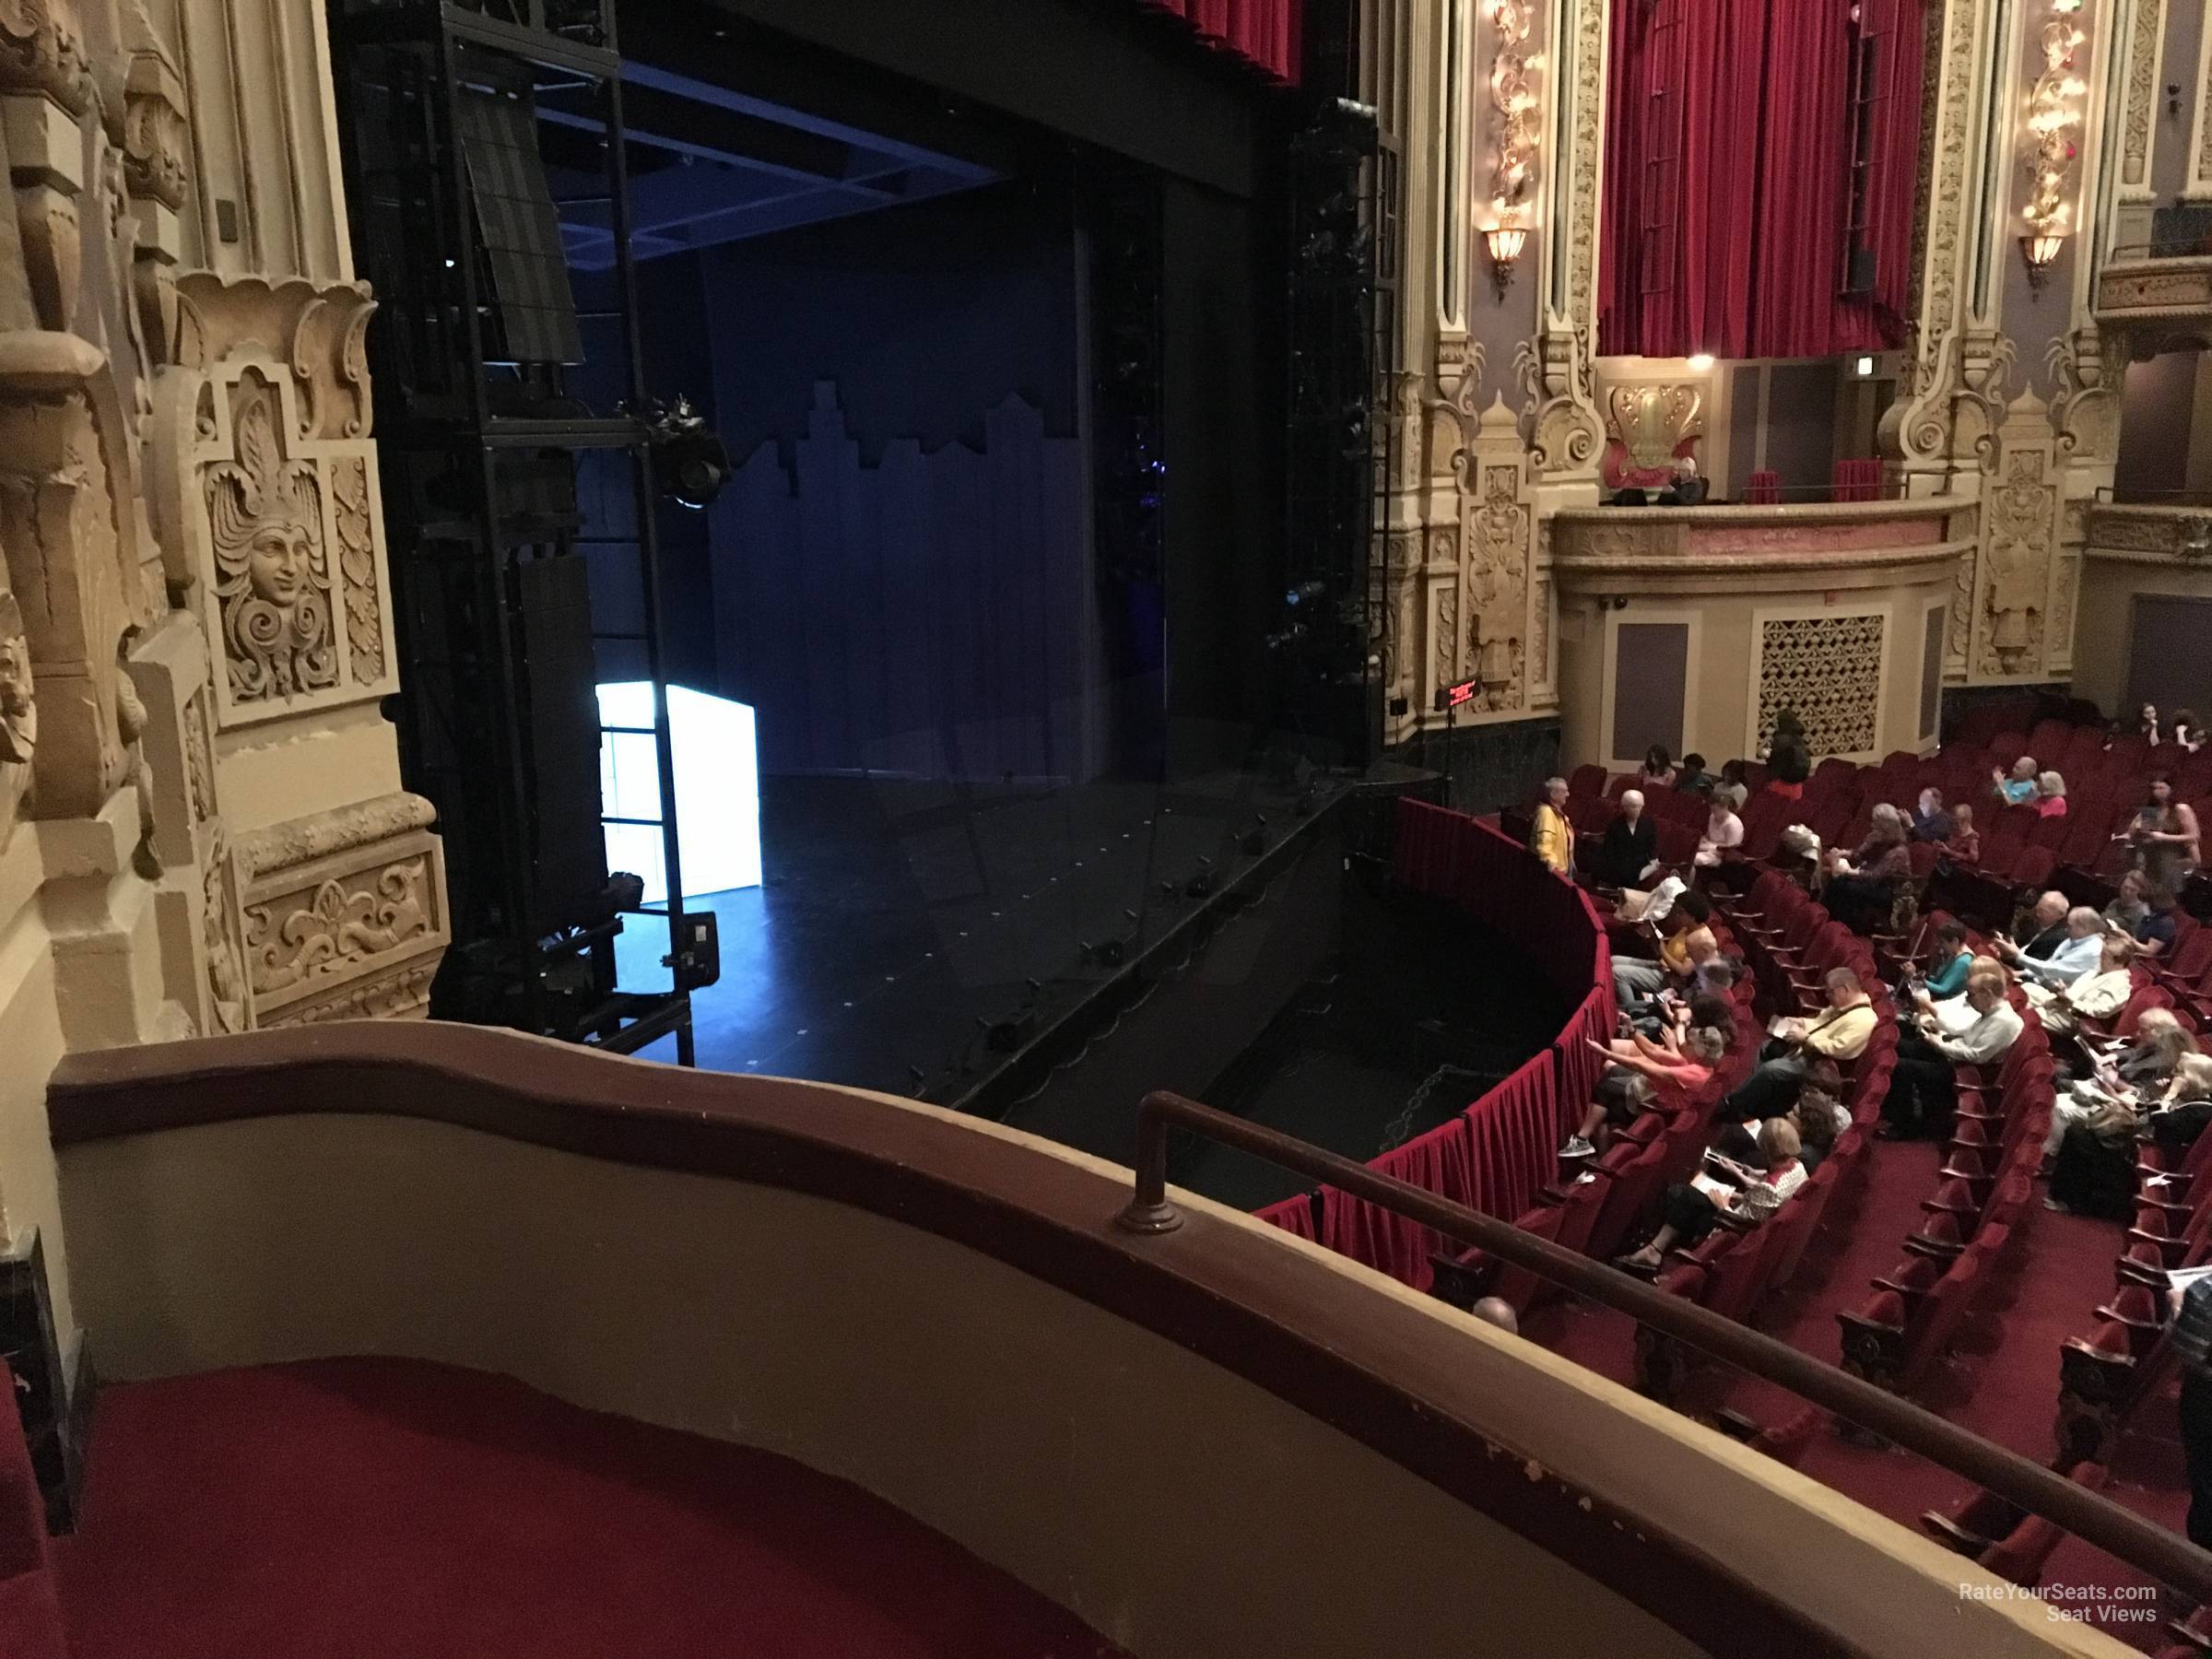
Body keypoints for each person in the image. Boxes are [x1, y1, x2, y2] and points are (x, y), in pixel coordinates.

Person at [1616, 1117, 1806, 1271]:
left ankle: (1654, 1250)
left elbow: (1743, 1223)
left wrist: (1722, 1204)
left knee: (1681, 1194)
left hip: (1733, 1229)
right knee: (1690, 1195)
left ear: (1765, 1149)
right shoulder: (1797, 1166)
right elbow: (1764, 1196)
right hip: (1748, 1212)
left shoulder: (1769, 1190)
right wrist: (1741, 1176)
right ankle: (1656, 1249)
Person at [2048, 1053, 2212, 1218]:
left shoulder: (2202, 1111)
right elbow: (2148, 1112)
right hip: (2137, 1143)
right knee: (2079, 1130)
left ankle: (2072, 1202)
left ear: (2193, 1079)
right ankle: (2060, 1192)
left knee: (2079, 1136)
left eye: (2179, 1072)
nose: (2174, 1076)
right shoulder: (2188, 1098)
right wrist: (2159, 1094)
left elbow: (2166, 1125)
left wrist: (2169, 1095)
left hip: (2150, 1158)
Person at [1881, 969, 2023, 1139]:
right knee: (1900, 1046)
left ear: (1986, 994)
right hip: (1954, 1056)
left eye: (1971, 995)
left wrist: (1938, 1044)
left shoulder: (2004, 1021)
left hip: (1963, 1070)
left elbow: (1976, 1056)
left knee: (1901, 1067)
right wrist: (1937, 1032)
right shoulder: (1992, 1013)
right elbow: (1963, 1033)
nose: (1968, 1000)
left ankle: (1906, 1126)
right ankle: (1889, 1112)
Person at [1722, 967, 1877, 1120]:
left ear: (1845, 989)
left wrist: (1805, 1038)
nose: (1827, 995)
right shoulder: (1843, 1005)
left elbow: (1839, 1049)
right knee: (1767, 1047)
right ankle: (1760, 1102)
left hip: (1821, 1064)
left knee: (1772, 1069)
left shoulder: (1864, 1019)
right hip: (1809, 1049)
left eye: (1831, 991)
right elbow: (1818, 1022)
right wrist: (1800, 1022)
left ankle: (1734, 1104)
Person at [2043, 1006, 2197, 1159]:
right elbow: (2134, 1053)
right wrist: (2114, 1057)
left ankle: (2050, 1155)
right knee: (2062, 1085)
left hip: (2127, 1111)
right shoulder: (2159, 1044)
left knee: (2061, 1105)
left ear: (2156, 1032)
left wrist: (2115, 1082)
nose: (2137, 1034)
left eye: (2142, 1030)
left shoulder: (2165, 1063)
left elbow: (2145, 1097)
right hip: (2113, 1092)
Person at [1561, 1027, 1726, 1157]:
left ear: (1700, 1052)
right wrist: (1632, 1031)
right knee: (1611, 1079)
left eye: (1689, 1044)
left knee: (1605, 1092)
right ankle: (1589, 1147)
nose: (1684, 1046)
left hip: (1651, 1108)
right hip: (1648, 1093)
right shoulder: (1697, 1064)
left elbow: (1642, 1067)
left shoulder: (1694, 1074)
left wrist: (1605, 1053)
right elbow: (1654, 1052)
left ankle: (1586, 1145)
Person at [2167, 1272, 2212, 1550]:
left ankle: (2198, 1575)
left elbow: (2185, 1349)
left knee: (2206, 1481)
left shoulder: (2205, 1290)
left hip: (2206, 1396)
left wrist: (2175, 1306)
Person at [2021, 932, 2136, 1036]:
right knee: (2025, 988)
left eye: (2104, 956)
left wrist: (2070, 1001)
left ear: (2119, 961)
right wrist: (2062, 990)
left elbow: (2098, 1011)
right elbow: (2076, 989)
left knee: (2028, 1016)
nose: (2100, 958)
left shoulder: (2120, 986)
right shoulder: (2098, 969)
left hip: (2074, 1019)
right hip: (2062, 1003)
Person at [1821, 803, 1912, 933]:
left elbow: (1875, 876)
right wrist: (1844, 852)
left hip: (1888, 890)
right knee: (1838, 881)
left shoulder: (1899, 851)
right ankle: (1828, 921)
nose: (1872, 825)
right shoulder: (1879, 838)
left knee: (1849, 886)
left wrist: (1849, 871)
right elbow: (1859, 854)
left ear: (1885, 826)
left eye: (1876, 823)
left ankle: (1845, 927)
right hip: (1872, 881)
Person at [1993, 901, 2102, 987]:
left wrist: (2017, 955)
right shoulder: (2071, 939)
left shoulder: (2092, 950)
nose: (2066, 929)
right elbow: (2050, 963)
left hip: (2056, 994)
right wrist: (2021, 973)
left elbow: (2052, 970)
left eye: (2070, 926)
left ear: (2085, 928)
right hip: (2037, 982)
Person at [2125, 776, 2200, 893]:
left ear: (2170, 789)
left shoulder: (2180, 809)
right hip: (2156, 857)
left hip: (2179, 856)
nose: (2157, 791)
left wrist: (2164, 837)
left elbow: (2194, 836)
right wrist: (2136, 828)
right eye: (2154, 788)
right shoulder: (2150, 811)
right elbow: (2135, 833)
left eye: (2161, 788)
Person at [1593, 789, 1660, 889]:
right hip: (1619, 863)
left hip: (1640, 863)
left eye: (1639, 806)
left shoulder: (1648, 823)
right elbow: (1609, 851)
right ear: (1624, 807)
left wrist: (1652, 861)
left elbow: (1652, 846)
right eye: (1633, 806)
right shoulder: (1615, 825)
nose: (1637, 809)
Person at [1910, 920, 1973, 1002]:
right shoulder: (1954, 954)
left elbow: (1943, 989)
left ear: (1955, 941)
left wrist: (1915, 978)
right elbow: (1936, 979)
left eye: (1942, 942)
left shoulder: (1963, 961)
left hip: (1944, 1002)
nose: (1939, 945)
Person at [1530, 775, 1574, 877]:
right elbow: (1545, 848)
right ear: (1553, 794)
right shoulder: (1547, 814)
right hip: (1552, 876)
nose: (1568, 794)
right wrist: (1556, 872)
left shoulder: (1555, 813)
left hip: (1560, 873)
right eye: (1565, 791)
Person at [1695, 783, 1747, 868]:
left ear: (1725, 807)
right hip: (1708, 848)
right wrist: (1703, 839)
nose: (1712, 812)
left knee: (1694, 859)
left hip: (1720, 856)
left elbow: (1731, 850)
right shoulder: (1712, 816)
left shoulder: (1733, 823)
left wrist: (1708, 847)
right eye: (1711, 809)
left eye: (1715, 810)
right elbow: (1709, 834)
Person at [1764, 712, 1812, 800]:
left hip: (1783, 781)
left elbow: (1776, 760)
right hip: (1798, 782)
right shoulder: (1798, 737)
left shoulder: (1781, 739)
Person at [2139, 885, 2183, 959]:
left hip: (2150, 962)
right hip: (2136, 954)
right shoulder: (2150, 917)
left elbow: (2149, 952)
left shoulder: (2165, 923)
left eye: (2145, 902)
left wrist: (2129, 939)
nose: (2142, 905)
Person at [2103, 867, 2151, 936]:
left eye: (2133, 890)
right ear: (2121, 885)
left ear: (2140, 890)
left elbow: (2136, 940)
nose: (2127, 892)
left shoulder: (2142, 912)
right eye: (2125, 887)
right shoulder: (2114, 903)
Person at [1944, 802, 1980, 866]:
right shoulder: (1955, 831)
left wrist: (1950, 852)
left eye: (1957, 823)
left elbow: (1974, 858)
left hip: (1953, 867)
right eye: (1954, 823)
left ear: (1967, 821)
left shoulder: (1972, 837)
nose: (1955, 826)